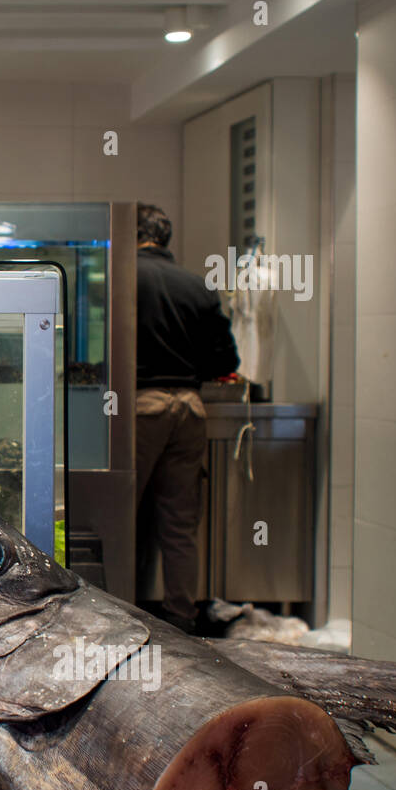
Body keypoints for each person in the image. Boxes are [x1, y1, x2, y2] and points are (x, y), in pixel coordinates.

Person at [134, 203, 239, 633]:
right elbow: (226, 359)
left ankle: (123, 612)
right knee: (179, 524)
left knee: (126, 514)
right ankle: (182, 619)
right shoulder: (199, 286)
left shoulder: (123, 279)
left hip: (139, 407)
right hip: (191, 408)